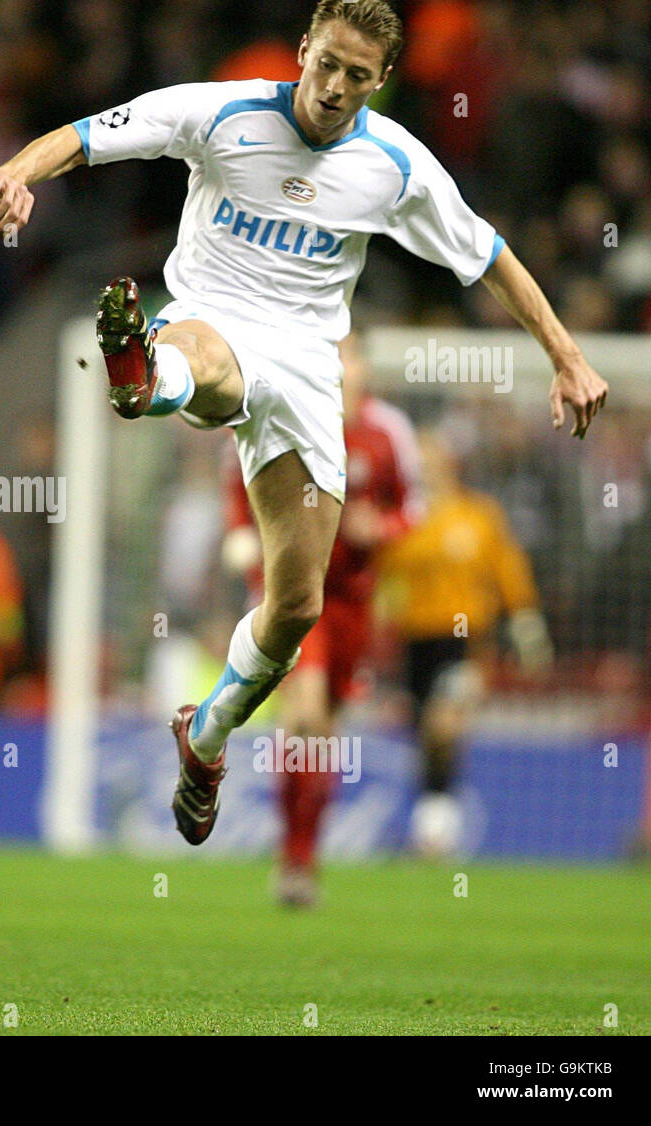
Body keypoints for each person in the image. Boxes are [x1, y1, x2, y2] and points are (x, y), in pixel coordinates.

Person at [0, 0, 607, 845]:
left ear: (380, 81)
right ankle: (142, 372)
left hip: (311, 369)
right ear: (303, 50)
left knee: (296, 606)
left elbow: (487, 254)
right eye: (326, 64)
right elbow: (91, 134)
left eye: (358, 76)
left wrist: (567, 356)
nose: (335, 86)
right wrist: (19, 173)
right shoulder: (222, 111)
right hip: (212, 316)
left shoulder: (396, 165)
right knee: (208, 368)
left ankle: (204, 735)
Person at [225, 331, 422, 904]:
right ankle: (296, 857)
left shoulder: (388, 435)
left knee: (320, 735)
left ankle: (298, 857)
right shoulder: (284, 413)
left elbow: (413, 508)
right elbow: (242, 479)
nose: (340, 367)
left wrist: (381, 530)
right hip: (291, 592)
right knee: (307, 717)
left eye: (349, 355)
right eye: (331, 354)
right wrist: (243, 539)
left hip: (353, 604)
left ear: (363, 367)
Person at [378, 429, 554, 857]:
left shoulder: (478, 515)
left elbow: (508, 570)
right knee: (426, 734)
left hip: (464, 641)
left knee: (444, 724)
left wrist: (528, 626)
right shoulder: (401, 520)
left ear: (448, 463)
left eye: (429, 458)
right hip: (414, 641)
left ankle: (436, 831)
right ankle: (433, 832)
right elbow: (383, 580)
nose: (422, 467)